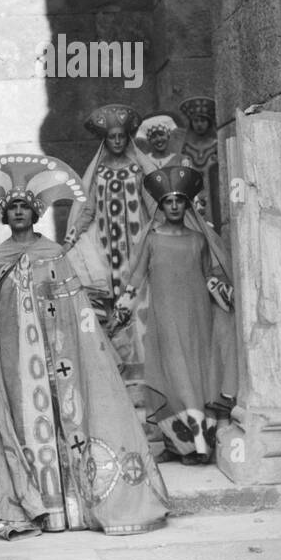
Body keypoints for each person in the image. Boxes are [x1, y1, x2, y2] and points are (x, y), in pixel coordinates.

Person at [0, 154, 169, 539]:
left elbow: (78, 308)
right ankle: (41, 509)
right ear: (4, 215)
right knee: (29, 430)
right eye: (12, 207)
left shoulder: (55, 256)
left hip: (63, 360)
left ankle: (78, 509)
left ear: (35, 213)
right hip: (18, 365)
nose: (18, 213)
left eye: (24, 207)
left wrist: (91, 338)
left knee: (71, 422)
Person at [112, 165, 234, 465]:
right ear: (161, 206)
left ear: (188, 204)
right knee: (172, 375)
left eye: (180, 200)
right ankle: (186, 445)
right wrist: (120, 310)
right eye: (168, 201)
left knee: (194, 374)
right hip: (165, 317)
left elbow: (208, 274)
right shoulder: (151, 239)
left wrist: (225, 294)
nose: (175, 205)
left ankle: (195, 445)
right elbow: (136, 278)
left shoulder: (199, 239)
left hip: (197, 317)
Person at [64, 104, 156, 374]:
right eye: (112, 137)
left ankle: (145, 366)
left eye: (121, 136)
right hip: (106, 248)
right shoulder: (99, 173)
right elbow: (89, 211)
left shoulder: (138, 170)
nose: (116, 141)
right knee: (111, 302)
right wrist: (69, 241)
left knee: (139, 299)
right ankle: (119, 365)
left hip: (137, 245)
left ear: (128, 138)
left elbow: (151, 207)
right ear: (105, 140)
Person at [178, 95, 221, 228]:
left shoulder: (216, 145)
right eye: (196, 120)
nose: (199, 124)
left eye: (203, 120)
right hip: (194, 197)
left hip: (214, 196)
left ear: (209, 122)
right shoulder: (186, 148)